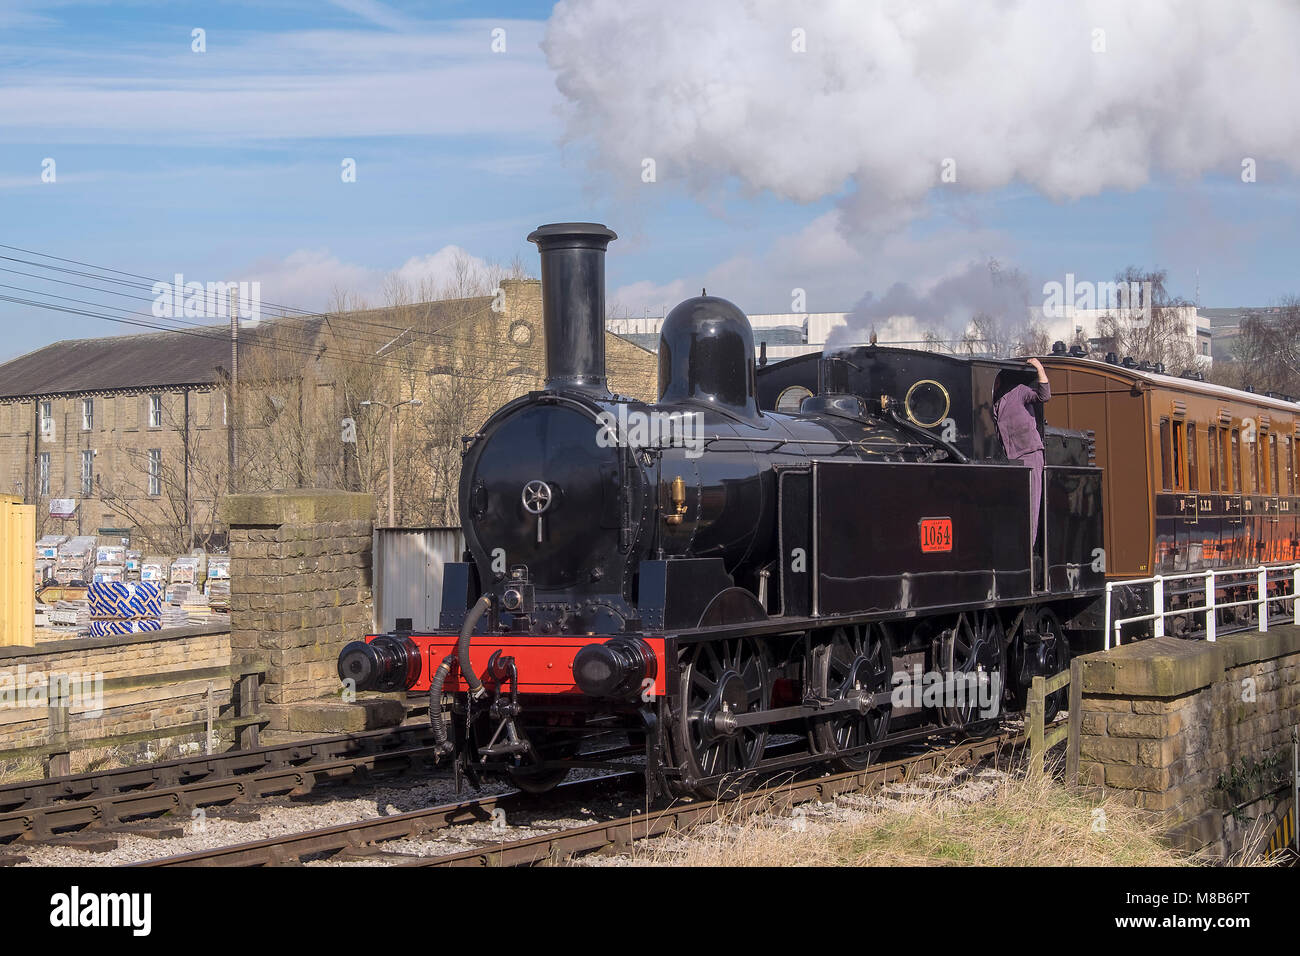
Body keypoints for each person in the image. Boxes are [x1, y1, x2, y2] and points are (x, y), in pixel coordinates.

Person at [994, 357, 1051, 549]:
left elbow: (1044, 396)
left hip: (1028, 453)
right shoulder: (994, 404)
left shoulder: (1019, 392)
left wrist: (1039, 369)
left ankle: (1028, 547)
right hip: (1010, 460)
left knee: (1031, 505)